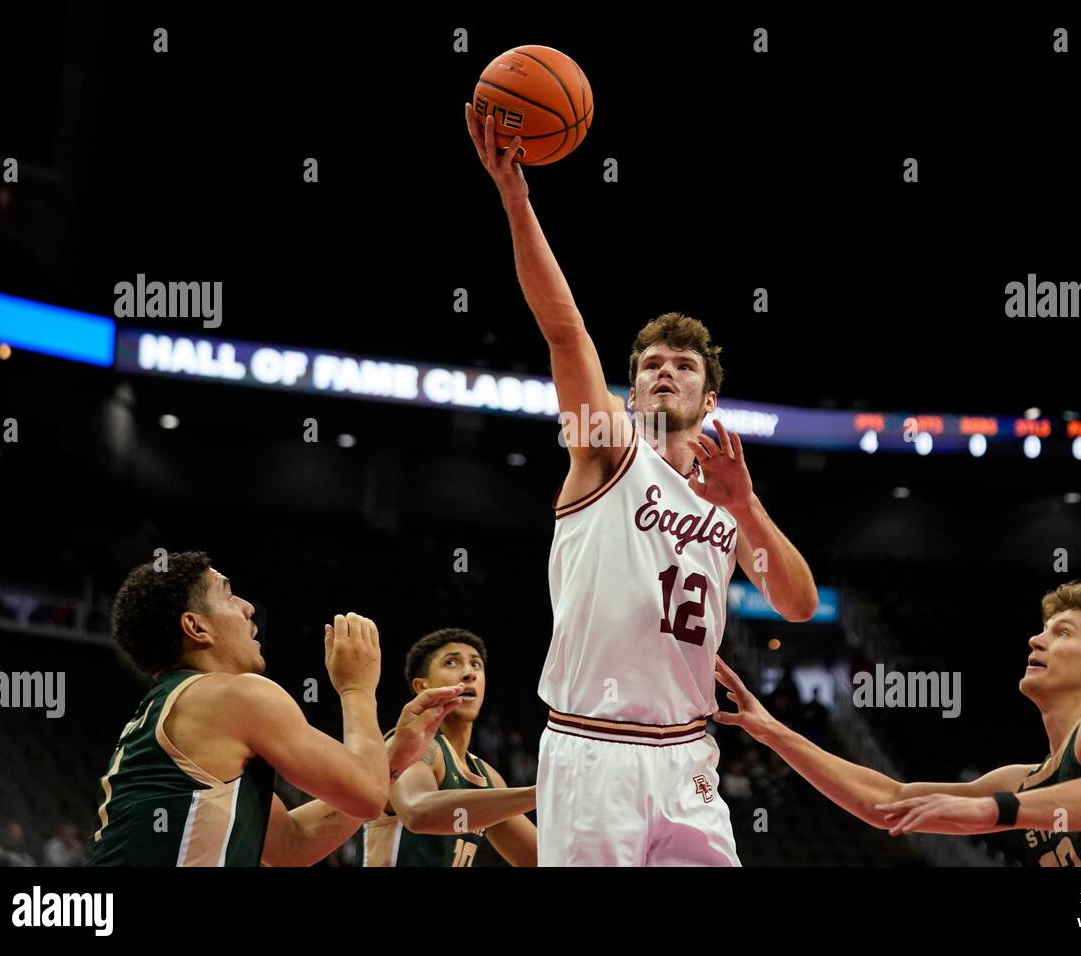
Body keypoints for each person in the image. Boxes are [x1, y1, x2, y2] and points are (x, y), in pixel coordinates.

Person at [466, 107, 819, 866]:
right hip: (594, 747)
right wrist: (517, 201)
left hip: (689, 755)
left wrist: (745, 506)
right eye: (650, 364)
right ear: (629, 395)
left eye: (683, 366)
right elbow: (565, 333)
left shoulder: (730, 495)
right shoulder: (607, 451)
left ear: (710, 399)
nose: (664, 371)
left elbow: (797, 604)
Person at [714, 581, 1081, 866]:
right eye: (1039, 631)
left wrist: (990, 811)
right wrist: (773, 731)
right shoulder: (1025, 780)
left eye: (1060, 633)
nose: (1035, 641)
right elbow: (888, 804)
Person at [87, 551, 464, 866]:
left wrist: (392, 761)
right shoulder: (231, 696)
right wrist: (356, 688)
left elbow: (293, 845)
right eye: (228, 595)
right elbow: (366, 795)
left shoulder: (174, 708)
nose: (248, 607)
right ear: (196, 627)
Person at [365, 629, 537, 866]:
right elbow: (417, 812)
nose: (469, 673)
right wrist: (540, 792)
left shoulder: (486, 777)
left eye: (476, 665)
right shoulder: (411, 748)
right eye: (452, 662)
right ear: (422, 686)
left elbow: (543, 858)